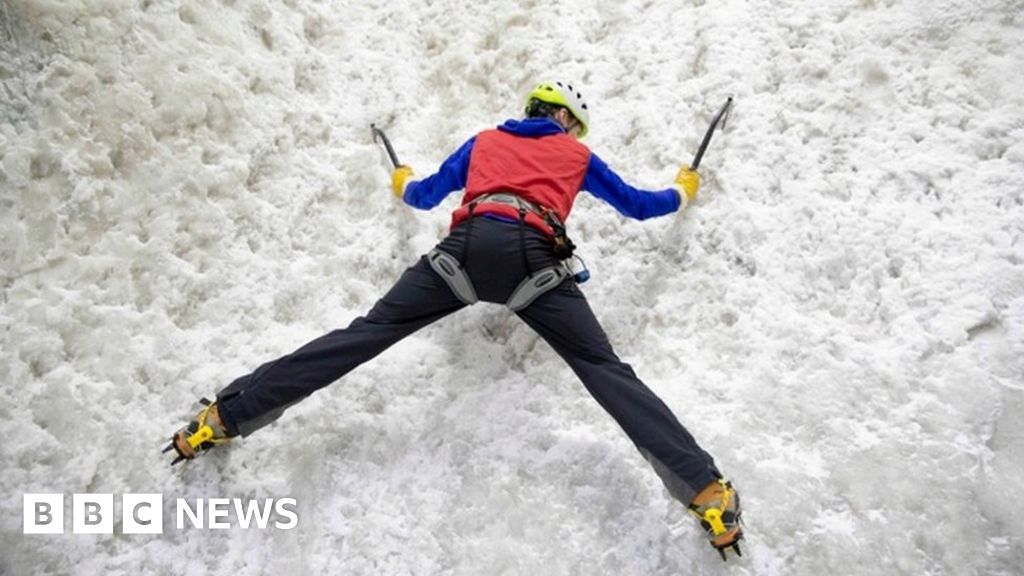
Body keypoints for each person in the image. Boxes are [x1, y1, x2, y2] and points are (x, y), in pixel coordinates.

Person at [167, 81, 743, 559]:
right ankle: (706, 492)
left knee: (364, 335)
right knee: (604, 369)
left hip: (460, 256)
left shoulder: (484, 141)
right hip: (534, 267)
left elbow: (422, 196)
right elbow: (641, 206)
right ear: (564, 118)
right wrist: (681, 192)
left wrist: (402, 182)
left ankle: (222, 417)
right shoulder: (576, 155)